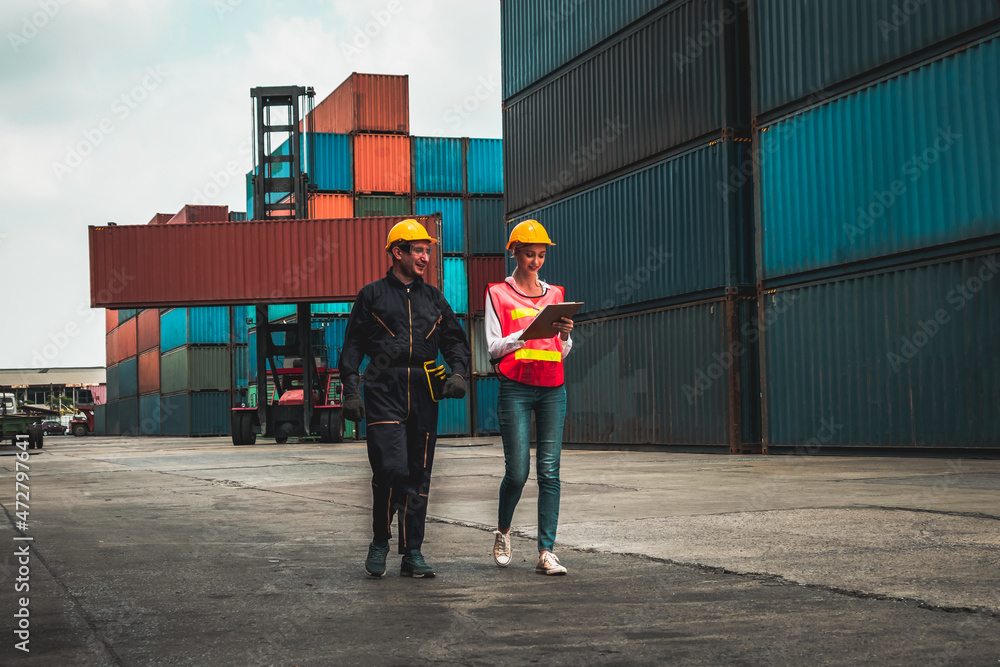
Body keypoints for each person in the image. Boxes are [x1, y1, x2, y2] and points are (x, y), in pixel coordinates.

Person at [340, 219, 471, 579]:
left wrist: (457, 372)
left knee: (418, 473)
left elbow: (456, 341)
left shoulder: (434, 299)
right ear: (397, 252)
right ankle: (380, 539)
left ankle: (412, 551)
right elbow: (352, 346)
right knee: (390, 468)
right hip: (383, 385)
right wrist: (350, 391)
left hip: (424, 387)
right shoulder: (372, 295)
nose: (426, 256)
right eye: (418, 250)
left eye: (428, 250)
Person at [485, 219, 574, 576]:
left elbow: (562, 351)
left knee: (550, 473)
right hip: (516, 387)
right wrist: (525, 333)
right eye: (528, 254)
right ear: (515, 253)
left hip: (553, 386)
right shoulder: (497, 293)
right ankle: (504, 530)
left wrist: (565, 335)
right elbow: (493, 348)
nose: (535, 261)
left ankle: (546, 552)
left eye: (540, 255)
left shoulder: (556, 295)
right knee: (518, 473)